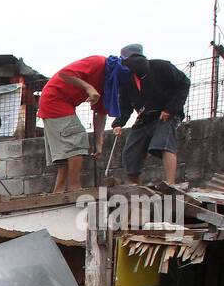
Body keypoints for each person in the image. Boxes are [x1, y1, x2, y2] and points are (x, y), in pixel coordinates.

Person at [37, 52, 134, 192]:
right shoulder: (99, 62)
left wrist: (99, 143)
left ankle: (58, 192)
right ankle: (74, 187)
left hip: (58, 104)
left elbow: (100, 113)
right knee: (77, 139)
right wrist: (88, 87)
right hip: (55, 100)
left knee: (65, 155)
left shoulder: (108, 84)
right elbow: (65, 74)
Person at [110, 45, 188, 184]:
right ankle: (135, 187)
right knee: (131, 153)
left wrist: (170, 109)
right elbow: (125, 106)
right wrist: (119, 123)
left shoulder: (161, 67)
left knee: (163, 142)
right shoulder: (127, 80)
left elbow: (184, 83)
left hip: (165, 115)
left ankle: (171, 184)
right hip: (144, 118)